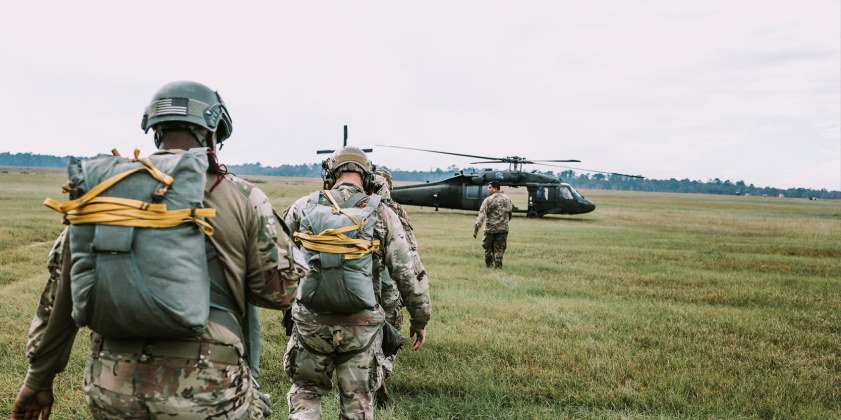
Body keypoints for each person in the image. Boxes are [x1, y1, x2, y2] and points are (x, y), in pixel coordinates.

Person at [11, 81, 307, 420]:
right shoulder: (243, 197)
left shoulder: (106, 191)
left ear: (155, 132)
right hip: (208, 389)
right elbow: (278, 294)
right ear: (213, 133)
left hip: (111, 388)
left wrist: (38, 379)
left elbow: (61, 293)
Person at [283, 147, 431, 420]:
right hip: (361, 329)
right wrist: (419, 319)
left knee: (306, 392)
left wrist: (288, 303)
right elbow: (409, 273)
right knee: (358, 404)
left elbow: (271, 255)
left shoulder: (303, 205)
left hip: (309, 323)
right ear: (368, 177)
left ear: (330, 174)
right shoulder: (384, 214)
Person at [370, 168, 428, 406]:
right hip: (390, 287)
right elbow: (410, 256)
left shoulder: (349, 207)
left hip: (358, 289)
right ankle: (382, 370)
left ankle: (369, 372)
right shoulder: (395, 212)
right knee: (392, 332)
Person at [473, 180, 513, 269]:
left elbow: (481, 216)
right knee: (499, 250)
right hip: (503, 229)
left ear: (495, 189)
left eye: (490, 187)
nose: (488, 189)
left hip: (490, 229)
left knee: (487, 248)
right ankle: (497, 269)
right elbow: (509, 215)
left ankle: (489, 267)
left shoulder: (488, 200)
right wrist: (504, 223)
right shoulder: (507, 199)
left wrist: (476, 230)